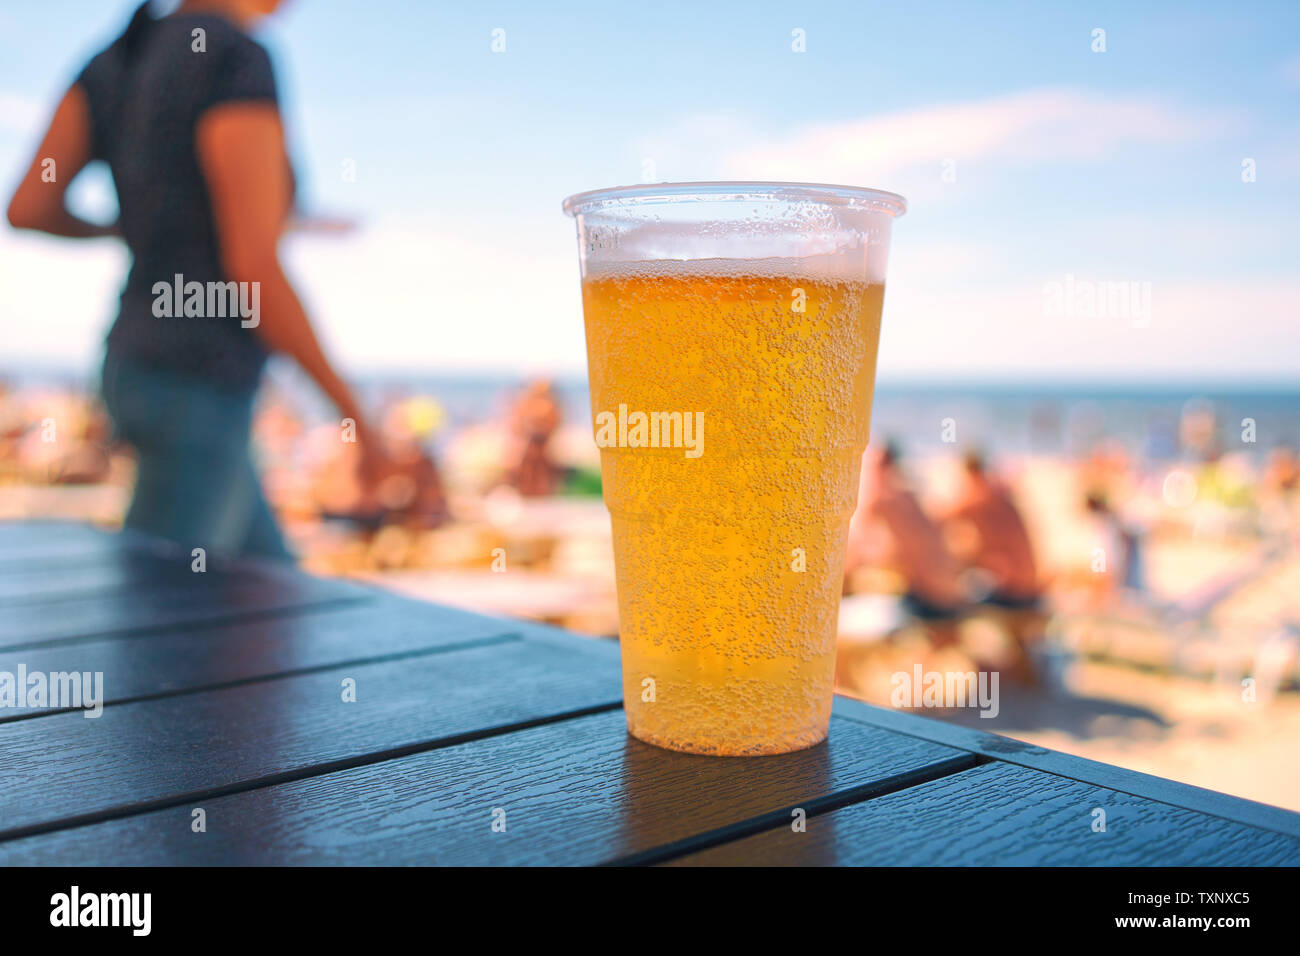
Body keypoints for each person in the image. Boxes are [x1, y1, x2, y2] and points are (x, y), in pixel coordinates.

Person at [7, 0, 408, 558]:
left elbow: (29, 206)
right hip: (198, 380)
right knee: (165, 619)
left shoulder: (117, 55)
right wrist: (356, 418)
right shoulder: (232, 56)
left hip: (135, 362)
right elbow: (252, 269)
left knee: (270, 601)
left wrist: (141, 228)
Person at [846, 442, 967, 627]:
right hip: (954, 595)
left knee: (852, 617)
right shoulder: (909, 494)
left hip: (931, 601)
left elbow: (854, 548)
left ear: (879, 467)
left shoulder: (881, 498)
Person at [941, 450, 1042, 609]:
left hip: (1015, 592)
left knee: (955, 597)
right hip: (1031, 583)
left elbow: (941, 517)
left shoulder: (978, 495)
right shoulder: (999, 493)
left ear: (968, 472)